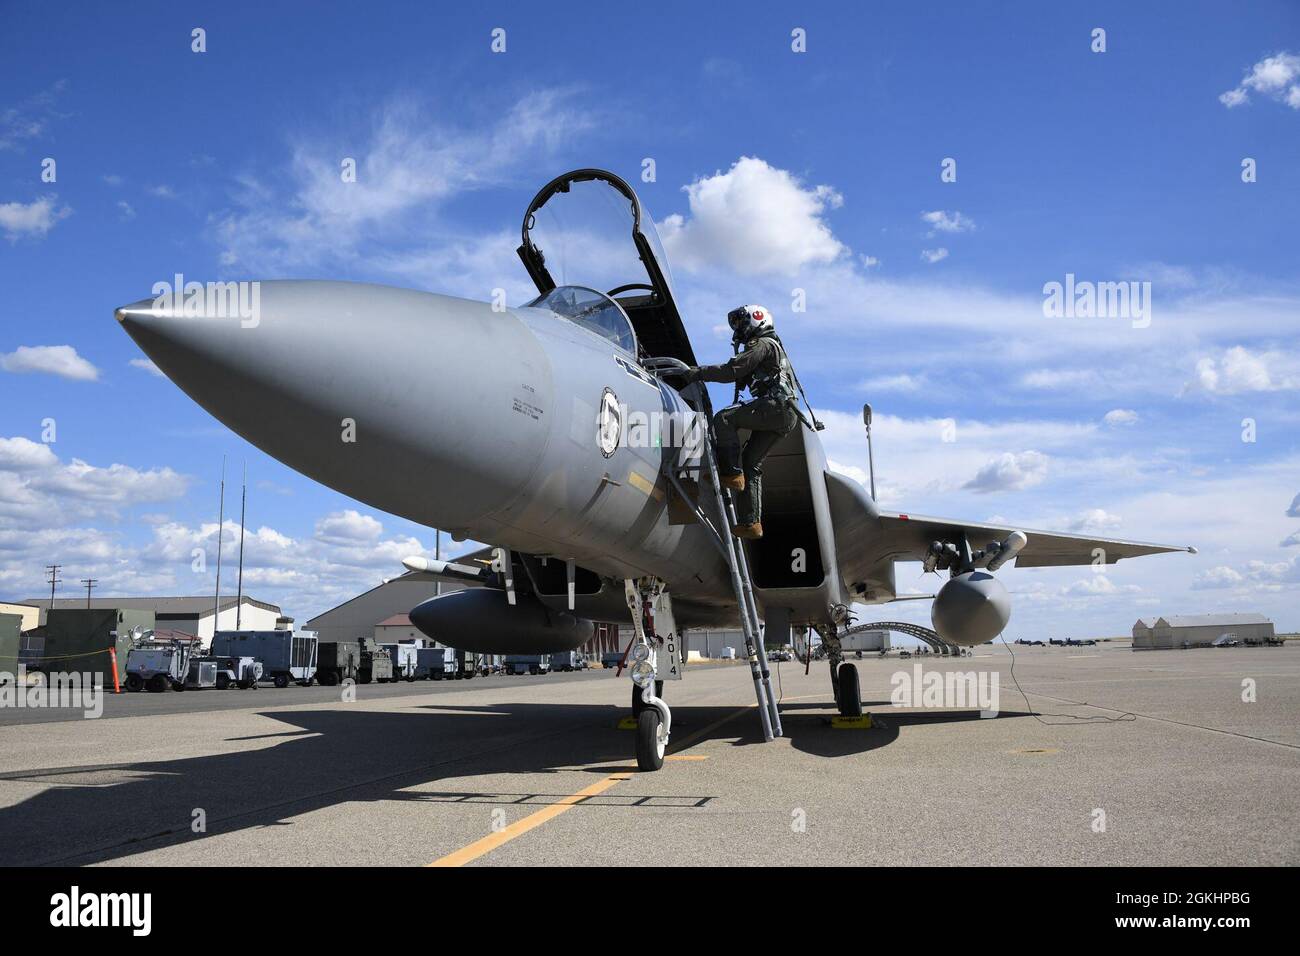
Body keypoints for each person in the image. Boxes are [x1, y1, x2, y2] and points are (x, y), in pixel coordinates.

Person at [679, 304, 801, 540]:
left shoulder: (762, 344)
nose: (739, 329)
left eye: (742, 322)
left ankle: (731, 474)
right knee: (751, 464)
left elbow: (731, 371)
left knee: (724, 419)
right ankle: (751, 524)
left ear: (757, 320)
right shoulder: (771, 346)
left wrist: (697, 373)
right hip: (786, 414)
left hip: (775, 407)